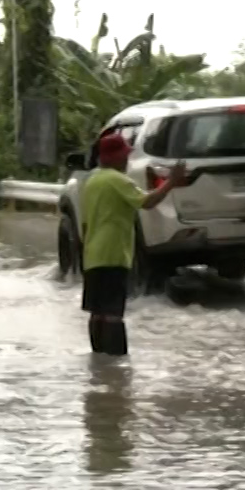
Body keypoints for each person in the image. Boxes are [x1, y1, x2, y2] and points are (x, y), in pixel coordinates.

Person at [79, 132, 191, 356]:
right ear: (113, 157)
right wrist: (171, 183)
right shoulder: (117, 180)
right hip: (114, 255)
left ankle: (98, 367)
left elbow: (84, 225)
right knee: (113, 314)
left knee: (97, 313)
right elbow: (147, 202)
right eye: (124, 155)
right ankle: (117, 368)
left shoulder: (90, 182)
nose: (127, 159)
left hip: (92, 256)